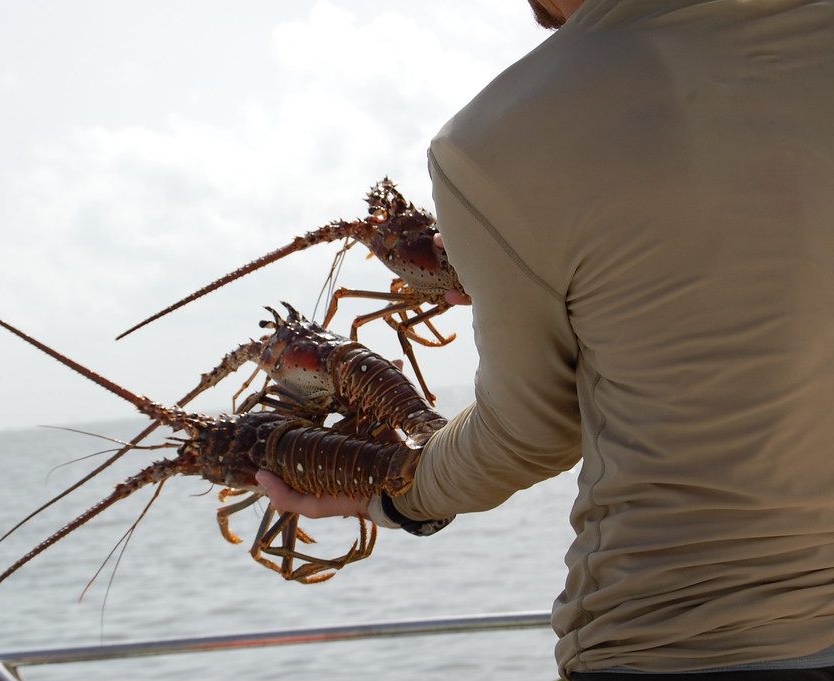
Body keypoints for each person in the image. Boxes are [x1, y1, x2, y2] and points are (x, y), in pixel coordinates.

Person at [257, 0, 834, 678]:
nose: (539, 20)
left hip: (679, 637)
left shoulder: (491, 137)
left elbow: (530, 432)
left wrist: (387, 494)